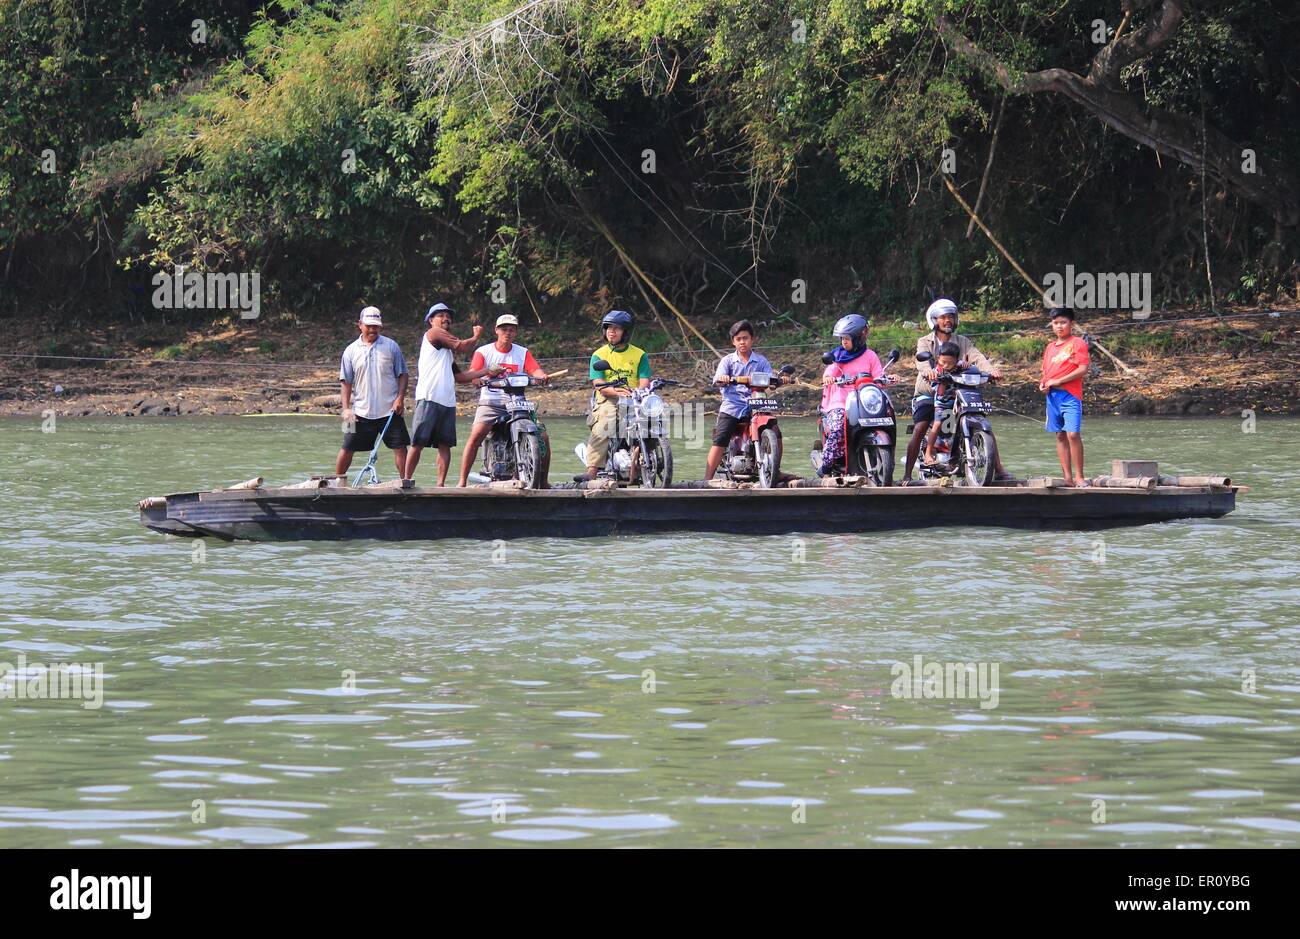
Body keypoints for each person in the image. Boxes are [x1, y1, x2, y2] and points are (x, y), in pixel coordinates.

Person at [903, 299, 1011, 484]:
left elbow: (978, 357)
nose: (948, 321)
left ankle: (998, 469)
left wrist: (991, 371)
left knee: (980, 418)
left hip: (957, 392)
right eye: (943, 317)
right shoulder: (925, 342)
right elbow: (921, 362)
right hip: (929, 392)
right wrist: (928, 371)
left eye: (951, 317)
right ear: (934, 320)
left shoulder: (962, 342)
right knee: (921, 426)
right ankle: (906, 475)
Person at [404, 303, 504, 486]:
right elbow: (462, 346)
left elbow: (460, 377)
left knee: (444, 445)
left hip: (447, 402)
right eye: (440, 315)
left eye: (448, 316)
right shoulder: (433, 333)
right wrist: (476, 336)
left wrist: (487, 371)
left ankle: (440, 485)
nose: (445, 318)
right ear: (431, 320)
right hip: (429, 397)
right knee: (418, 442)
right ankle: (406, 480)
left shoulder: (446, 352)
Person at [456, 314, 552, 487]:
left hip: (518, 402)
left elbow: (535, 370)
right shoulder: (483, 351)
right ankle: (461, 481)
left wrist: (541, 376)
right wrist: (479, 380)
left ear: (515, 332)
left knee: (542, 435)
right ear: (496, 330)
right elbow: (474, 373)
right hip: (491, 402)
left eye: (511, 329)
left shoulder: (522, 352)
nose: (507, 333)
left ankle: (543, 482)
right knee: (476, 435)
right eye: (504, 329)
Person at [336, 306, 409, 479]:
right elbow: (345, 382)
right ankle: (337, 483)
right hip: (359, 411)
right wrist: (346, 409)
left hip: (390, 410)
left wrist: (400, 398)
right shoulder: (350, 350)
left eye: (376, 326)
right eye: (368, 326)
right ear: (360, 325)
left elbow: (403, 374)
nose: (372, 329)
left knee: (401, 448)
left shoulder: (392, 346)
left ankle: (406, 483)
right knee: (346, 447)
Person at [585, 310, 651, 481]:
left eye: (617, 328)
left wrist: (639, 392)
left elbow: (644, 380)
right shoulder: (599, 355)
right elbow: (598, 383)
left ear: (625, 332)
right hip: (609, 398)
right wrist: (616, 391)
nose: (611, 332)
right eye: (608, 328)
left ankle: (650, 459)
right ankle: (591, 471)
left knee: (655, 420)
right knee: (604, 424)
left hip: (635, 398)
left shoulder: (639, 354)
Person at [705, 320, 772, 480]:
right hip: (732, 406)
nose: (742, 342)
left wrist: (779, 380)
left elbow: (771, 378)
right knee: (720, 439)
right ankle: (706, 479)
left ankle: (773, 470)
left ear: (752, 339)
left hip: (757, 405)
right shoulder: (727, 361)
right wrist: (723, 378)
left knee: (775, 431)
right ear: (733, 342)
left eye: (746, 338)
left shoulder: (761, 361)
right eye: (739, 339)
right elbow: (717, 380)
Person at [817, 313, 883, 477]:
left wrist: (887, 379)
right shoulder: (837, 357)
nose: (843, 342)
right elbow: (827, 375)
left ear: (858, 337)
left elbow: (879, 376)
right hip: (840, 402)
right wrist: (829, 378)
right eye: (841, 339)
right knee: (839, 427)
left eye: (847, 338)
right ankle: (827, 462)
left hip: (864, 402)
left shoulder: (870, 356)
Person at [1040, 307, 1090, 486]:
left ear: (1072, 324)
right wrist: (1044, 384)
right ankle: (1067, 477)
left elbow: (1082, 369)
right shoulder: (1050, 347)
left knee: (1073, 434)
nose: (1059, 326)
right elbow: (1046, 372)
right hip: (1052, 397)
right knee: (1060, 435)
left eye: (1063, 322)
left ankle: (1079, 476)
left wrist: (1059, 380)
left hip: (1070, 396)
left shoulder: (1077, 343)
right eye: (1055, 323)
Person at [922, 342, 963, 465]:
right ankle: (928, 453)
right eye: (943, 362)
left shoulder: (959, 366)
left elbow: (967, 368)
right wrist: (942, 381)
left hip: (960, 403)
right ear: (938, 358)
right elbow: (940, 393)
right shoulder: (936, 372)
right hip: (943, 403)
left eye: (950, 363)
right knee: (938, 423)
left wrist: (966, 365)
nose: (946, 366)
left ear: (957, 360)